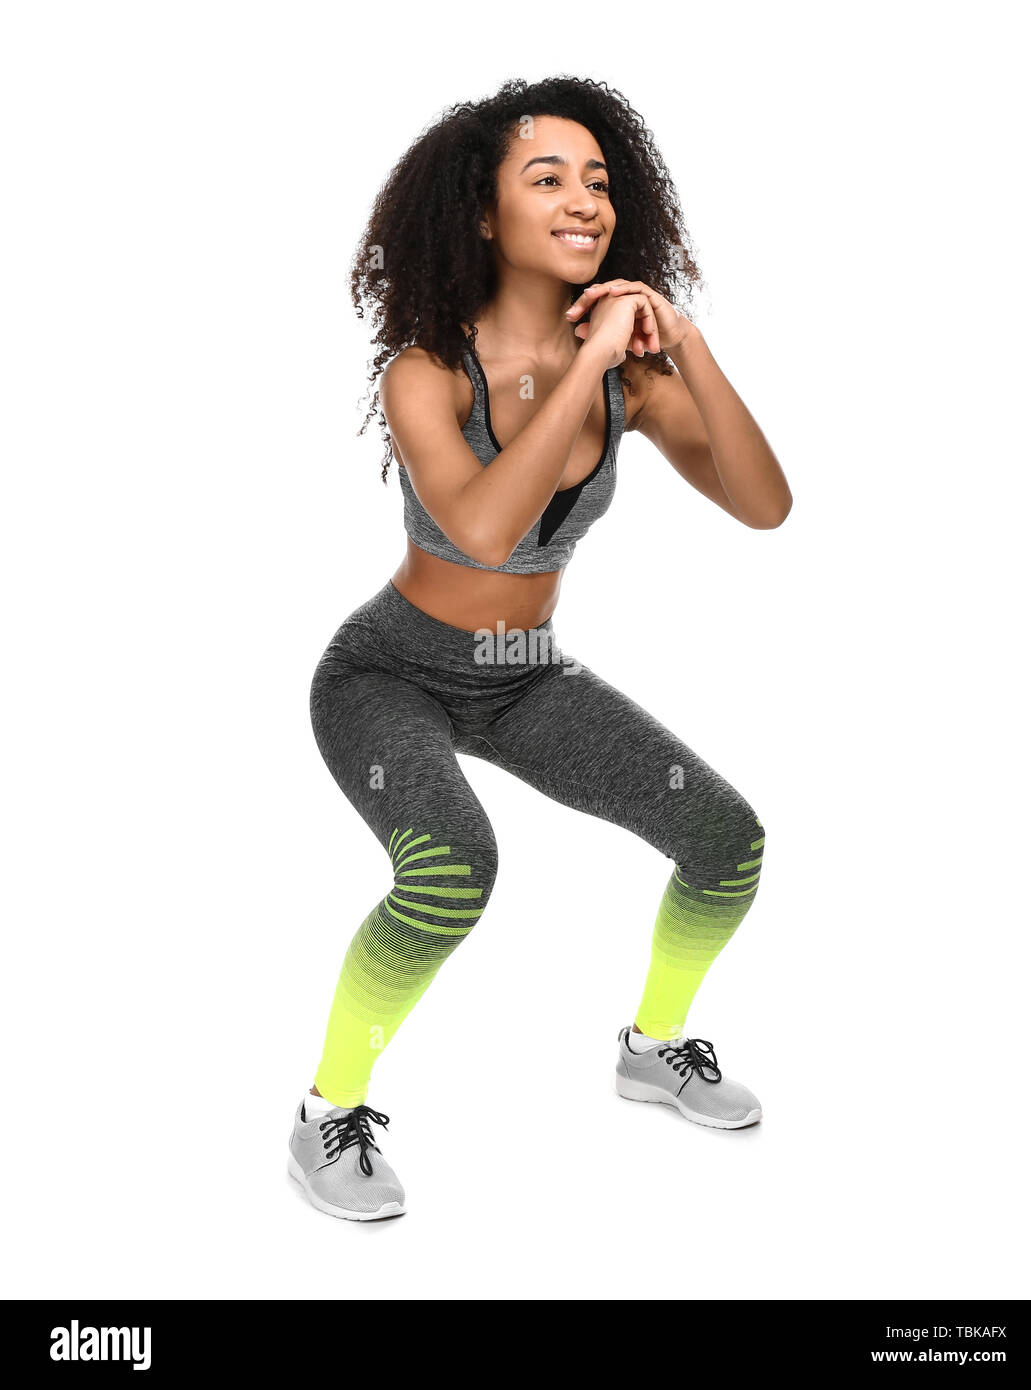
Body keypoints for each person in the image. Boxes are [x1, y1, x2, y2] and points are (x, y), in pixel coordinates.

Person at [287, 77, 793, 1221]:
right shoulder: (424, 370)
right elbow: (480, 525)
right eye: (547, 177)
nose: (585, 201)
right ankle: (329, 1111)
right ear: (482, 214)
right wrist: (586, 366)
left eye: (601, 182)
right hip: (387, 673)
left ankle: (653, 1045)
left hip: (524, 680)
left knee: (728, 841)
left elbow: (765, 508)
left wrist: (689, 353)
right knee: (451, 867)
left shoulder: (633, 381)